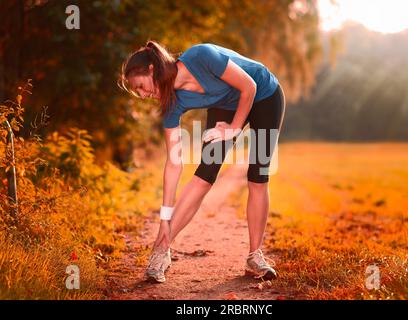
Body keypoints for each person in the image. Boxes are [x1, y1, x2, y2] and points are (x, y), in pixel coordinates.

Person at [118, 40, 285, 283]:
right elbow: (174, 163)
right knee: (204, 175)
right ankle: (161, 250)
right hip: (226, 103)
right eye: (138, 93)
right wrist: (165, 218)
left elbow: (248, 86)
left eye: (141, 87)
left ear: (152, 70)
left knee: (258, 176)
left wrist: (233, 129)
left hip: (263, 95)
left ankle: (254, 256)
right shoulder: (171, 105)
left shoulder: (201, 56)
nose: (143, 95)